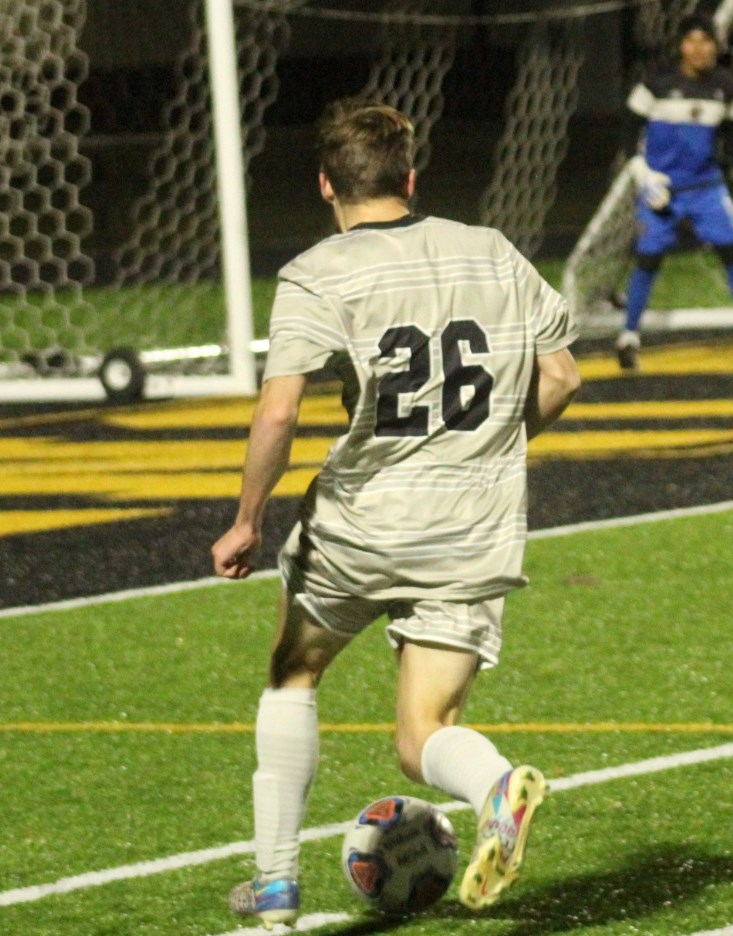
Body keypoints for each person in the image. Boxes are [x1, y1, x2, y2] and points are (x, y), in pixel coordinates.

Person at [212, 97, 581, 929]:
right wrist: (486, 448)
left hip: (361, 526)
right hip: (472, 526)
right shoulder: (491, 251)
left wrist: (245, 519)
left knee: (293, 673)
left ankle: (274, 887)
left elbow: (277, 414)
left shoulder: (317, 273)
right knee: (423, 734)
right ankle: (493, 785)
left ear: (324, 186)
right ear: (410, 180)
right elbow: (560, 379)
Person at [617, 13, 733, 370]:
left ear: (717, 45)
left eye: (706, 41)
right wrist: (644, 176)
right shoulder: (655, 83)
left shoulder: (727, 87)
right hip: (662, 189)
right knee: (648, 257)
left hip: (707, 188)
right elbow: (626, 137)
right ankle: (629, 336)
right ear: (681, 45)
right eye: (692, 41)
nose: (699, 49)